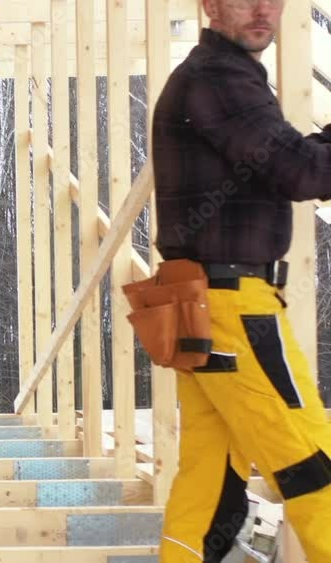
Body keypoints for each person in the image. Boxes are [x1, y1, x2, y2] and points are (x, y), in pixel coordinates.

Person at [151, 0, 331, 560]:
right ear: (209, 6)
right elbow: (301, 171)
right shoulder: (220, 77)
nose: (262, 10)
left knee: (212, 479)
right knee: (307, 458)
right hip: (232, 305)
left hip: (202, 302)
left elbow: (294, 159)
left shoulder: (220, 77)